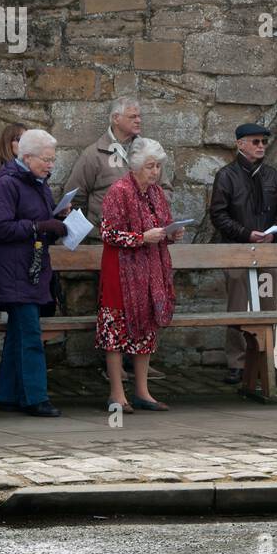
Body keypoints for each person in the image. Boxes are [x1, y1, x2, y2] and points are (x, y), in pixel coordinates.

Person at [0, 129, 68, 417]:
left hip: (30, 269)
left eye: (53, 160)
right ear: (26, 156)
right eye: (46, 159)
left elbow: (38, 220)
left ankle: (8, 395)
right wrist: (40, 227)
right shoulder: (5, 183)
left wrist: (56, 221)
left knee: (19, 334)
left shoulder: (37, 182)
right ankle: (35, 397)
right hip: (14, 271)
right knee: (30, 334)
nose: (50, 165)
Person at [98, 139, 182, 413]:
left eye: (158, 166)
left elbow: (162, 227)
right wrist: (140, 238)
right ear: (135, 166)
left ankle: (143, 392)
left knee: (146, 326)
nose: (155, 171)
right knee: (116, 329)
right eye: (150, 166)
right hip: (120, 271)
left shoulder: (156, 194)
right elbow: (108, 233)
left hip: (150, 271)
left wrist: (172, 233)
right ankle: (116, 394)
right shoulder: (118, 191)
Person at [209, 123, 277, 386]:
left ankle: (265, 359)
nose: (260, 147)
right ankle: (237, 362)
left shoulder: (272, 176)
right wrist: (246, 234)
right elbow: (218, 215)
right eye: (255, 142)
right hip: (238, 251)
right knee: (238, 305)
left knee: (268, 306)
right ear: (240, 144)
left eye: (263, 142)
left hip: (266, 253)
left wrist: (273, 233)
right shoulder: (227, 176)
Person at [67, 97, 172, 239]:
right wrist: (88, 232)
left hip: (145, 239)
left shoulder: (149, 152)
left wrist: (147, 209)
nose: (138, 120)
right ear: (116, 118)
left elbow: (165, 189)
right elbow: (74, 197)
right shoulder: (94, 154)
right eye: (132, 116)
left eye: (139, 116)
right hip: (103, 241)